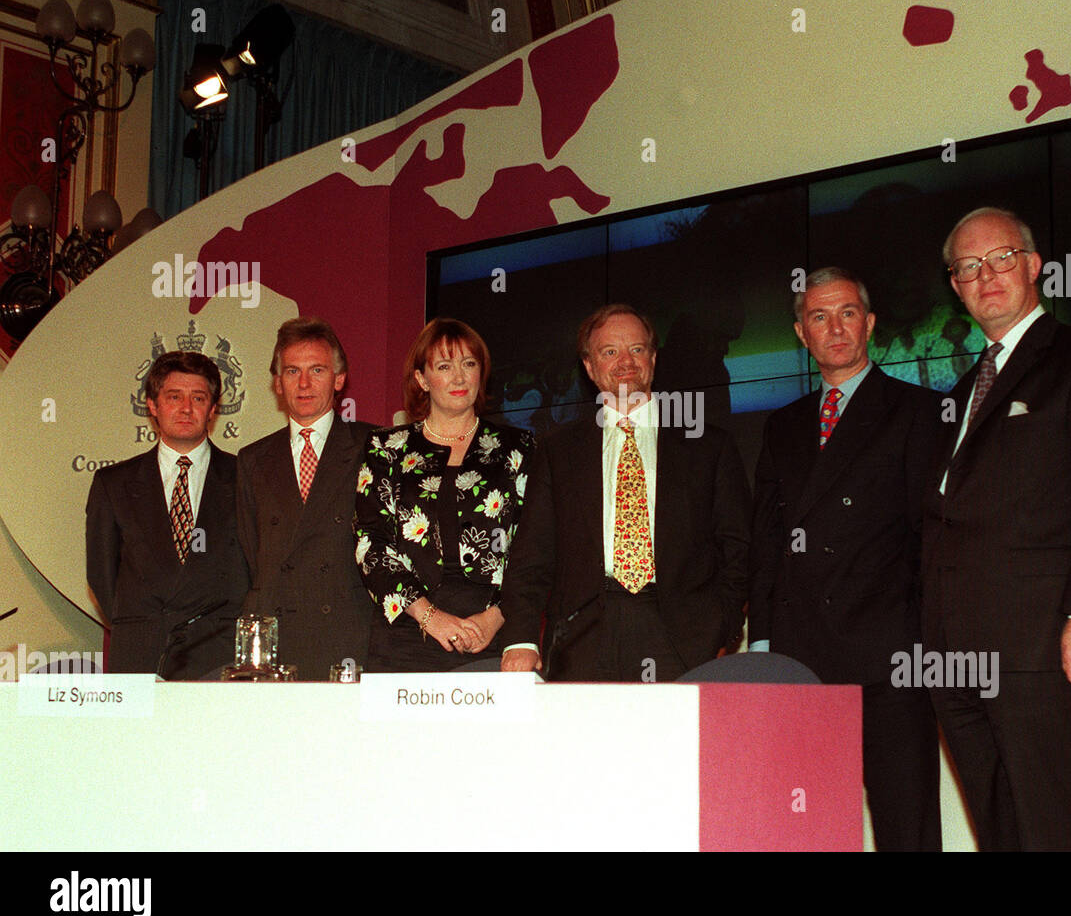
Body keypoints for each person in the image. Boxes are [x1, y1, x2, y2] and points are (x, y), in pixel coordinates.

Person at [924, 207, 1071, 850]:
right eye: (967, 267)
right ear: (956, 285)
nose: (985, 275)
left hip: (1042, 646)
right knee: (1000, 832)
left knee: (1058, 829)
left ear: (1033, 266)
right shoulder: (964, 389)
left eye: (1000, 258)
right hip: (955, 652)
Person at [750, 267, 943, 850]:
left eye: (848, 313)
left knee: (904, 822)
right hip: (802, 655)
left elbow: (931, 541)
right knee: (811, 825)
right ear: (800, 333)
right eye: (818, 317)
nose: (835, 328)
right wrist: (762, 642)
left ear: (871, 324)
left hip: (892, 657)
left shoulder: (921, 412)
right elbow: (766, 541)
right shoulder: (782, 424)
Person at [499, 304, 750, 681]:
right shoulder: (556, 451)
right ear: (589, 366)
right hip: (581, 639)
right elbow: (531, 556)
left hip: (682, 638)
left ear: (653, 357)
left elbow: (739, 549)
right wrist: (520, 639)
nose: (625, 362)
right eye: (609, 351)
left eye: (636, 348)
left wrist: (717, 626)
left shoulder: (708, 446)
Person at [354, 319, 533, 670]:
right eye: (444, 366)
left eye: (469, 364)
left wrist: (496, 617)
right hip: (406, 632)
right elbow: (370, 544)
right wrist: (429, 617)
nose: (459, 377)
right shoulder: (386, 447)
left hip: (496, 635)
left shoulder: (520, 447)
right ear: (422, 378)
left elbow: (535, 547)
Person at [86, 351, 249, 678]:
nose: (186, 408)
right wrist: (140, 623)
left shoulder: (246, 476)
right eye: (174, 396)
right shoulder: (114, 484)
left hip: (219, 659)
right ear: (152, 405)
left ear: (213, 409)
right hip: (140, 655)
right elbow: (102, 577)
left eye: (198, 397)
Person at [236, 317, 376, 679]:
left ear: (339, 378)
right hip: (277, 644)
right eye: (291, 371)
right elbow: (252, 555)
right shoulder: (253, 459)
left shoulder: (374, 446)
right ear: (277, 383)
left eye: (317, 370)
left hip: (350, 637)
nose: (303, 383)